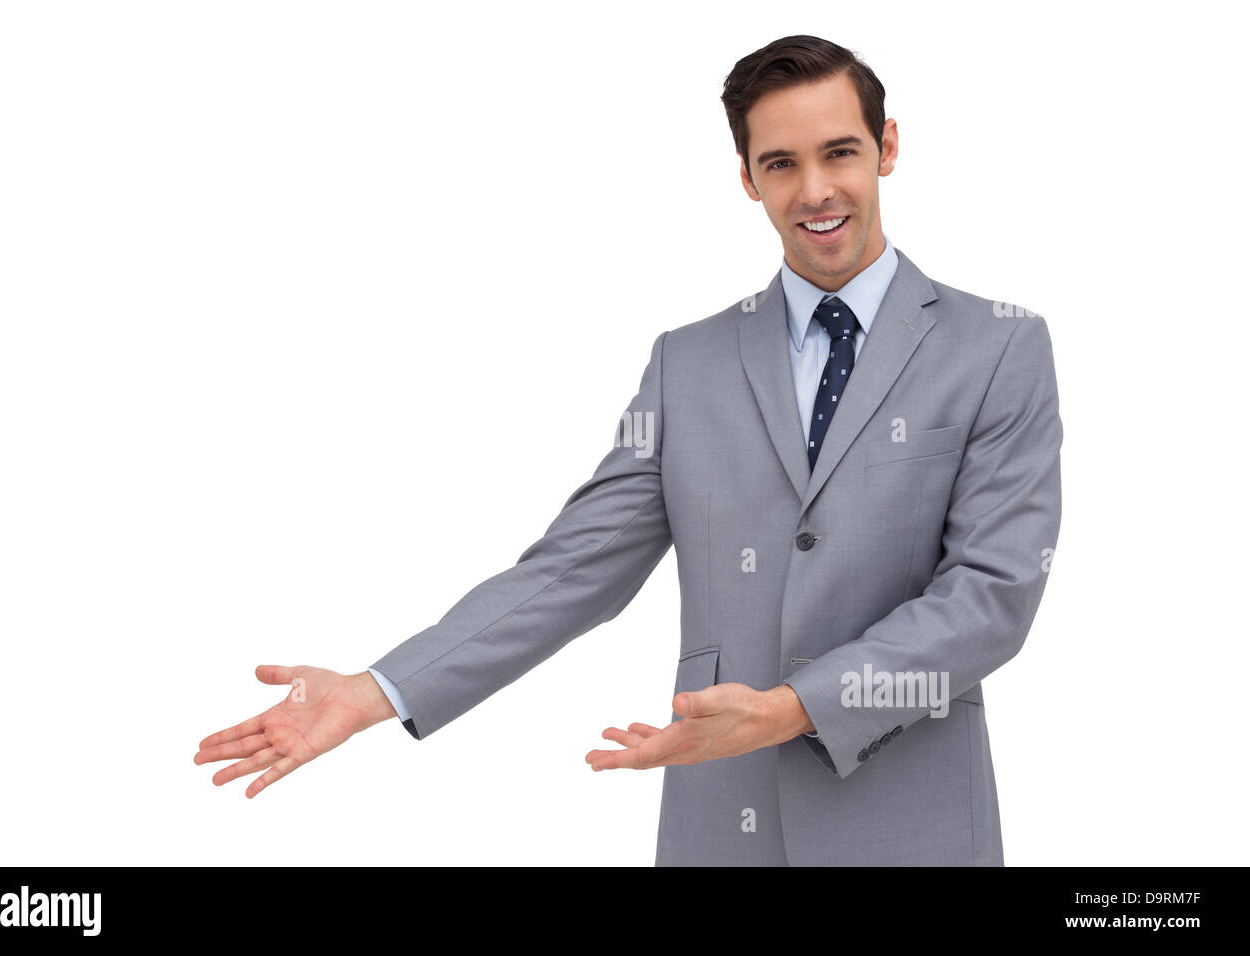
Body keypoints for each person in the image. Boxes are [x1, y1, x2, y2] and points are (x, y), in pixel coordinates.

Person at [195, 34, 1062, 866]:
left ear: (888, 148)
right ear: (747, 178)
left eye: (839, 152)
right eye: (780, 164)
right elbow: (573, 569)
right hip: (721, 822)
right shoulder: (687, 365)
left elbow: (992, 593)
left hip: (911, 825)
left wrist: (794, 708)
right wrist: (377, 689)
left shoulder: (996, 347)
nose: (814, 191)